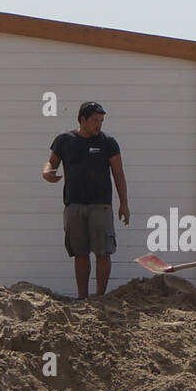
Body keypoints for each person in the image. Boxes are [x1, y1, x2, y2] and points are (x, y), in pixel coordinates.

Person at [42, 101, 130, 297]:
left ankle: (100, 296)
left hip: (101, 205)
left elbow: (118, 173)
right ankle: (82, 297)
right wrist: (47, 172)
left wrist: (124, 204)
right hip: (74, 205)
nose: (99, 124)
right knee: (80, 252)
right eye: (95, 120)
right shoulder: (65, 140)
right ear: (82, 120)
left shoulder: (108, 142)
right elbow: (51, 162)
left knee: (103, 252)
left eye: (101, 120)